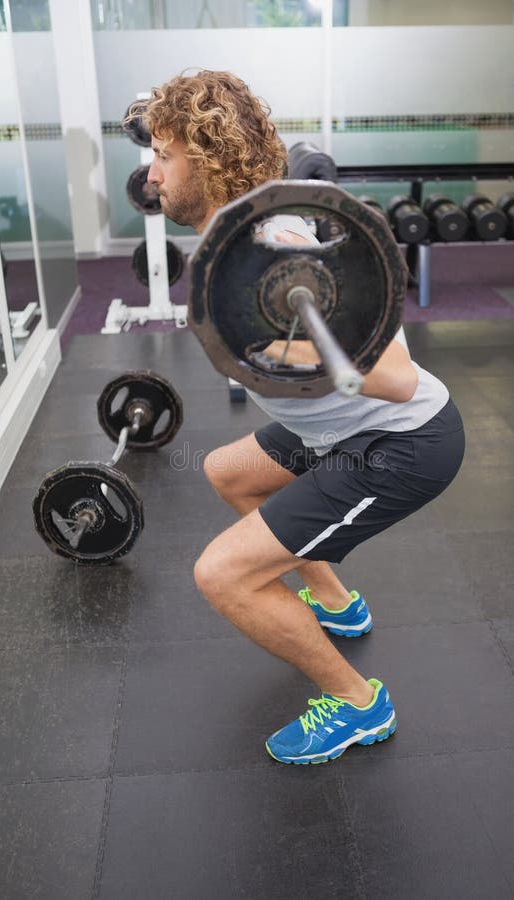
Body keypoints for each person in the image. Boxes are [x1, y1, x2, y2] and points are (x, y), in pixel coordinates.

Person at [140, 69, 465, 765]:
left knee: (223, 574)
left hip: (399, 443)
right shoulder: (237, 227)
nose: (151, 173)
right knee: (230, 473)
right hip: (336, 429)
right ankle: (338, 603)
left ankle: (357, 705)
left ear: (207, 159)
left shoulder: (276, 247)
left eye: (165, 156)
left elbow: (399, 381)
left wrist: (288, 338)